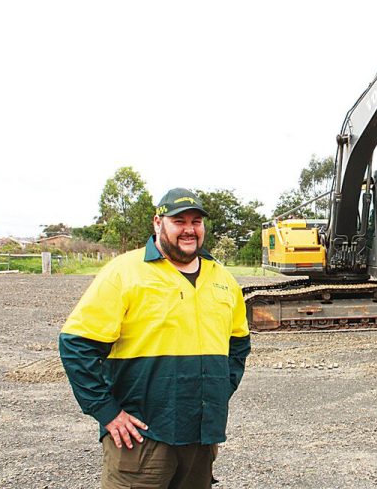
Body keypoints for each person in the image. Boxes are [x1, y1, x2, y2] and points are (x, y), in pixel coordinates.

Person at [59, 187, 251, 489]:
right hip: (142, 440)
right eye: (179, 221)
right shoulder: (125, 272)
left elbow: (239, 342)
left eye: (196, 221)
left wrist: (219, 388)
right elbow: (76, 344)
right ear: (158, 223)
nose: (189, 229)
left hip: (201, 439)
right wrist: (107, 412)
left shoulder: (223, 279)